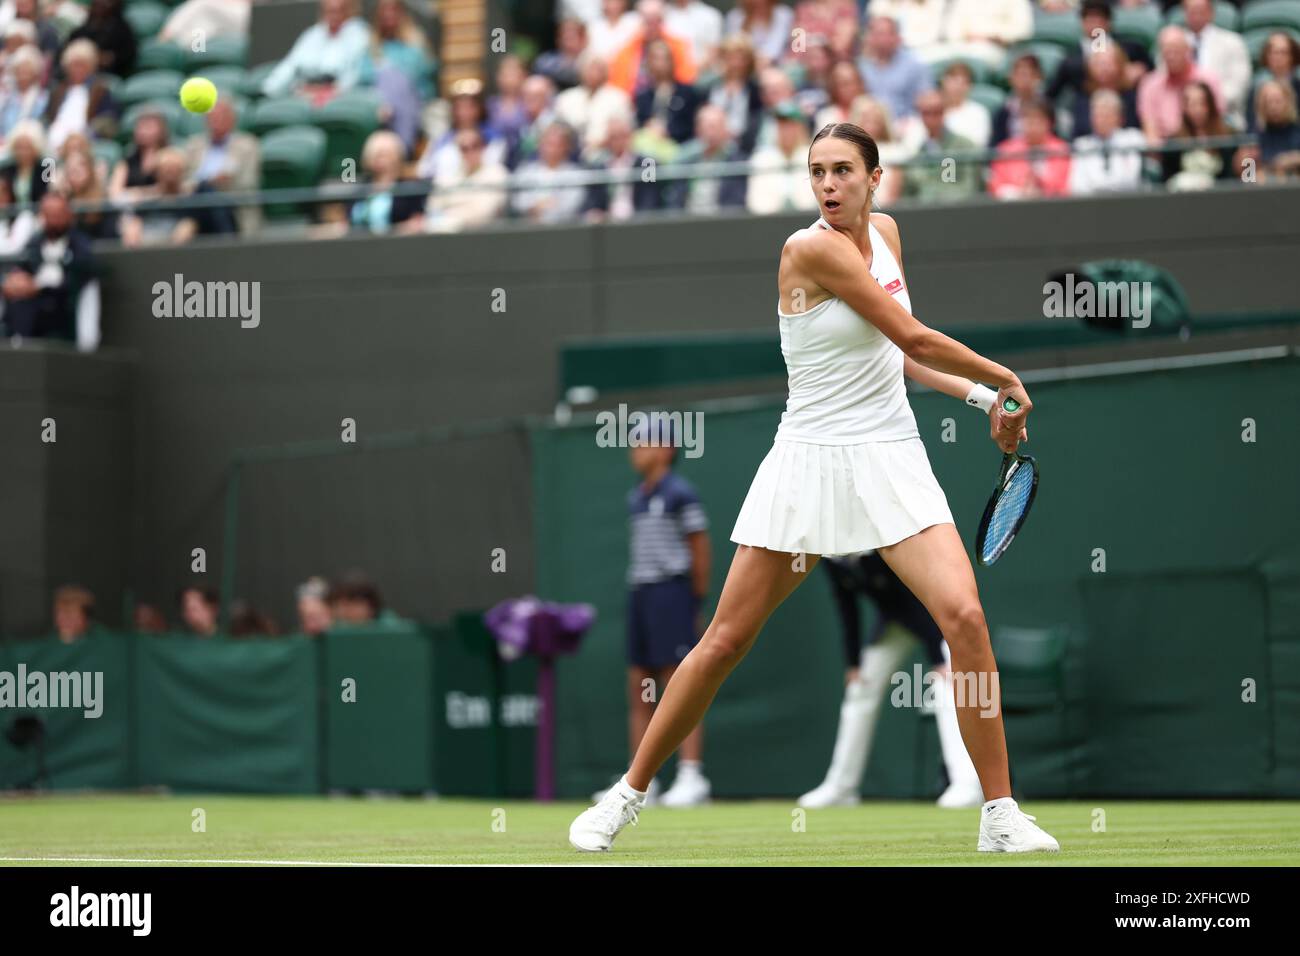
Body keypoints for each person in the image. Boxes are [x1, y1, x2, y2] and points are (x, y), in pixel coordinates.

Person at [569, 120, 1059, 854]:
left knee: (964, 618)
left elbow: (903, 357)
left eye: (841, 171)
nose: (828, 185)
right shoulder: (807, 249)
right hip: (808, 462)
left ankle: (999, 814)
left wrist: (985, 405)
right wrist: (1005, 377)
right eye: (816, 173)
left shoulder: (889, 234)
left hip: (891, 456)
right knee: (725, 641)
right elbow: (919, 337)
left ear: (874, 178)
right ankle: (628, 793)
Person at [797, 550, 983, 809]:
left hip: (934, 618)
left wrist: (938, 658)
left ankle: (967, 784)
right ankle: (841, 787)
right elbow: (846, 604)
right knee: (860, 690)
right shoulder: (830, 556)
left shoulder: (882, 545)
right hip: (892, 624)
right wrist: (853, 664)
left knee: (947, 687)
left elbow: (920, 596)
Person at [599, 415, 712, 807]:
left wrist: (693, 602)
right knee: (639, 686)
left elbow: (699, 549)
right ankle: (641, 780)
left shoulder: (681, 493)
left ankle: (691, 775)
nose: (635, 450)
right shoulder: (636, 497)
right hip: (641, 595)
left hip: (673, 595)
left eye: (642, 442)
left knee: (677, 685)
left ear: (665, 448)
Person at [0, 193, 94, 341]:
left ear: (68, 215)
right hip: (32, 300)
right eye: (49, 214)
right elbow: (22, 267)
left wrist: (41, 288)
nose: (54, 220)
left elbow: (79, 276)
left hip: (62, 304)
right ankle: (17, 348)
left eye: (58, 214)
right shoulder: (35, 242)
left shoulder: (79, 243)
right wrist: (16, 281)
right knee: (17, 301)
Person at [261, 0, 370, 102]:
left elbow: (354, 73)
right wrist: (268, 90)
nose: (334, 16)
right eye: (329, 11)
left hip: (338, 98)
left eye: (338, 11)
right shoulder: (312, 34)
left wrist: (335, 93)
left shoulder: (359, 35)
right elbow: (290, 64)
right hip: (303, 94)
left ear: (348, 11)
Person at [181, 98, 261, 236]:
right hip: (195, 205)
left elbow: (248, 184)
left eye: (221, 116)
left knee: (209, 192)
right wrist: (208, 183)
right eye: (212, 117)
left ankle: (226, 241)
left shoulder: (248, 145)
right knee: (204, 189)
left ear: (232, 119)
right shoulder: (193, 146)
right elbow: (182, 182)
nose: (216, 121)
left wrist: (218, 184)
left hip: (232, 207)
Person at [1138, 26, 1224, 146]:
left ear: (1188, 50)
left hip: (1206, 147)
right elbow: (1150, 132)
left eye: (1176, 51)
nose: (1171, 56)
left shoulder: (1208, 79)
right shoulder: (1150, 84)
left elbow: (1216, 123)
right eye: (1167, 52)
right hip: (1166, 152)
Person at [1180, 0, 1250, 130]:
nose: (1196, 15)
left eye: (1200, 10)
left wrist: (1205, 108)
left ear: (1211, 13)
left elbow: (1238, 88)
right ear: (1184, 13)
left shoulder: (1233, 42)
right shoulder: (1173, 44)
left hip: (1226, 119)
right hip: (1182, 123)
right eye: (1191, 10)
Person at [988, 97, 1071, 199]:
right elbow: (996, 186)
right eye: (1027, 119)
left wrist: (1042, 186)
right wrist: (1018, 192)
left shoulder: (1061, 150)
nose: (1032, 124)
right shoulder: (1006, 150)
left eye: (1038, 119)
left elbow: (1065, 187)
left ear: (1050, 123)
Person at [1068, 89, 1146, 195]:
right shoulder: (1081, 145)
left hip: (1126, 202)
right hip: (1091, 206)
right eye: (1097, 115)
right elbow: (1077, 186)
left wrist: (1101, 187)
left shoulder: (1133, 139)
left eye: (1107, 115)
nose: (1101, 120)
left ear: (1119, 117)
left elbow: (1130, 180)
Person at [857, 15, 932, 122]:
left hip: (905, 125)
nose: (882, 39)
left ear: (897, 37)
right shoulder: (862, 67)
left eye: (886, 34)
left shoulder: (914, 65)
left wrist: (910, 122)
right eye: (877, 34)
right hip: (869, 127)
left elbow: (926, 100)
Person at [68, 0, 135, 77]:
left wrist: (110, 58)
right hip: (78, 73)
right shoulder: (83, 28)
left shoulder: (122, 29)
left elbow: (127, 55)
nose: (101, 3)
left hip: (107, 74)